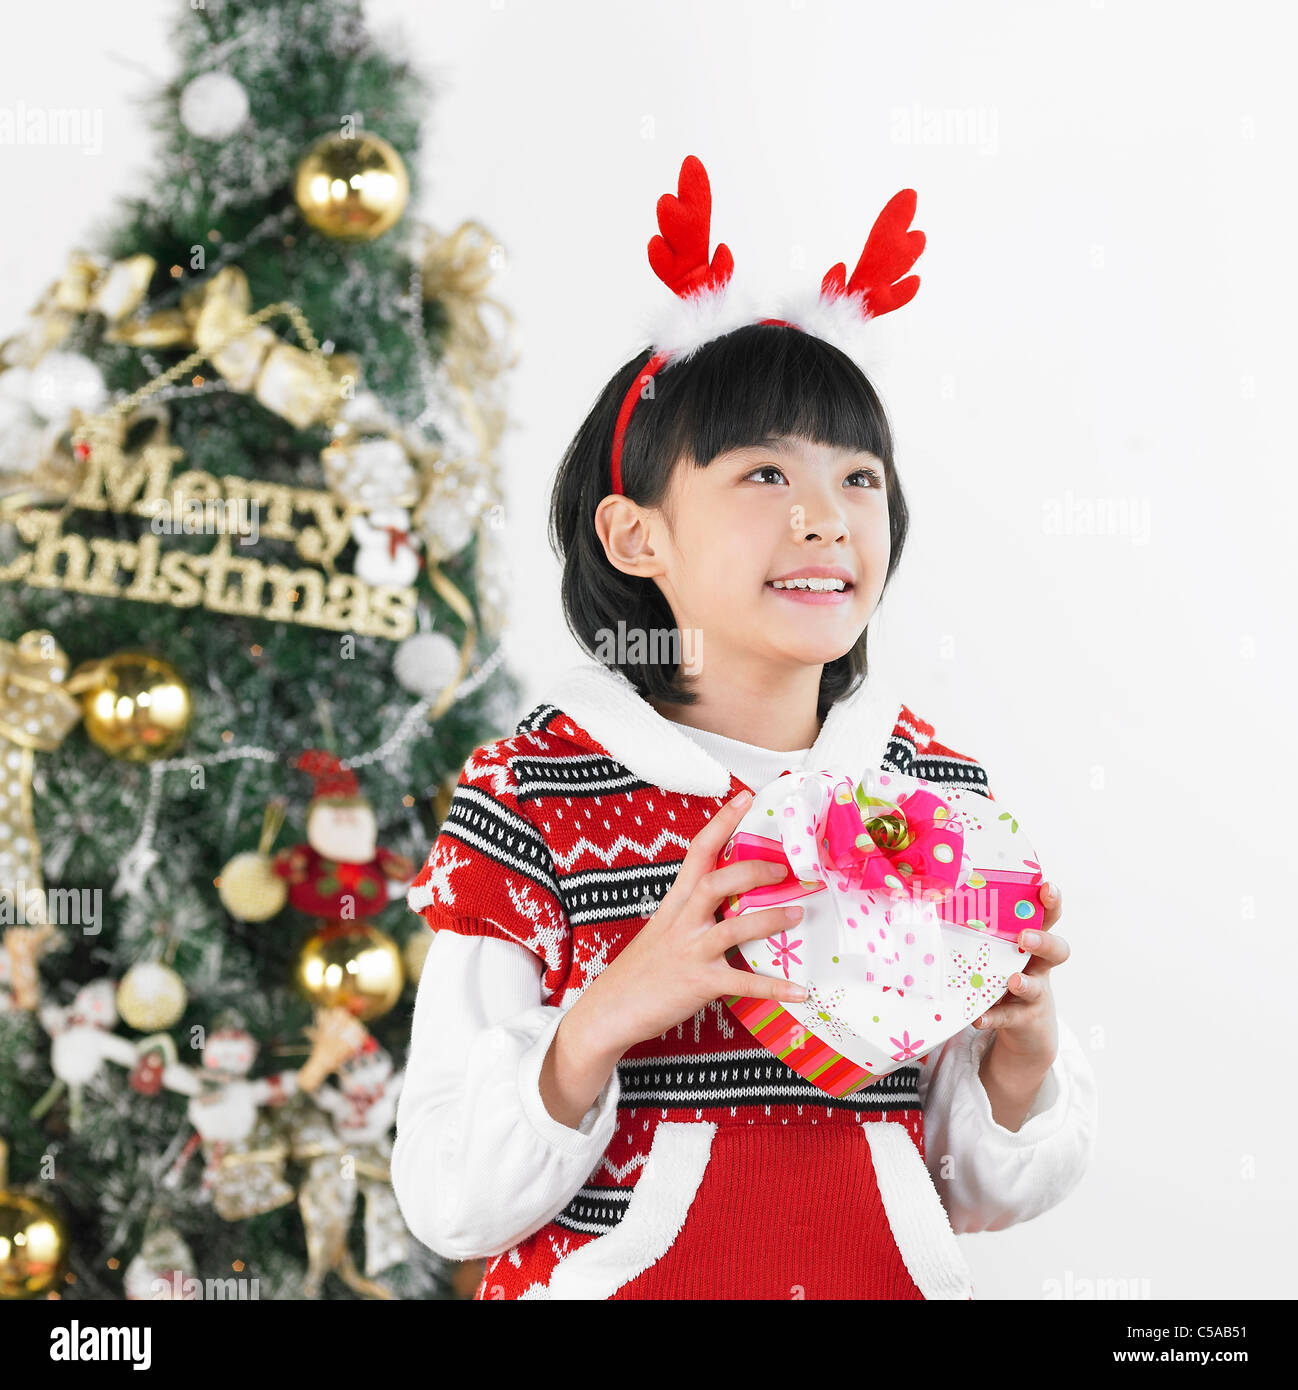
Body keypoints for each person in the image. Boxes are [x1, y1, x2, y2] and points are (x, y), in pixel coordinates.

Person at [390, 155, 1097, 1299]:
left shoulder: (936, 793)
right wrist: (615, 1006)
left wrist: (1018, 1058)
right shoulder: (534, 796)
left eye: (857, 478)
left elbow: (975, 1195)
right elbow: (444, 1193)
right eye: (763, 473)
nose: (822, 517)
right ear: (635, 538)